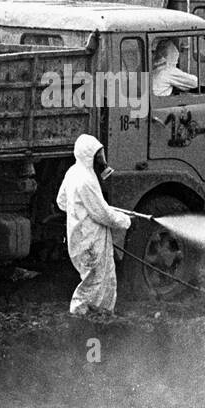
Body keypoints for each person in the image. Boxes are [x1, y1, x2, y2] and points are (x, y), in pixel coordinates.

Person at [56, 134, 131, 316]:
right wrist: (125, 220)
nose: (102, 160)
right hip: (90, 240)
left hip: (83, 237)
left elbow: (62, 201)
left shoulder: (73, 172)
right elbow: (103, 214)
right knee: (95, 281)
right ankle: (80, 318)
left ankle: (103, 316)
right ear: (88, 156)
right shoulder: (86, 179)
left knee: (104, 279)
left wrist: (81, 208)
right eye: (98, 156)